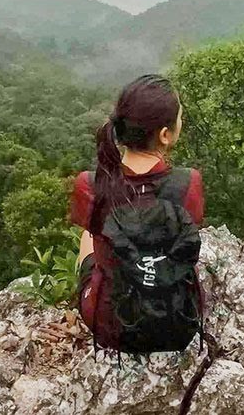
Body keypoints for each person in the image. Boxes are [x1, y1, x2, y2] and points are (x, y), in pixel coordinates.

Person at [69, 74, 205, 354]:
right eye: (180, 117)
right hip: (177, 324)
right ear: (166, 135)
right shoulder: (188, 182)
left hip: (109, 326)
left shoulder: (90, 185)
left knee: (90, 234)